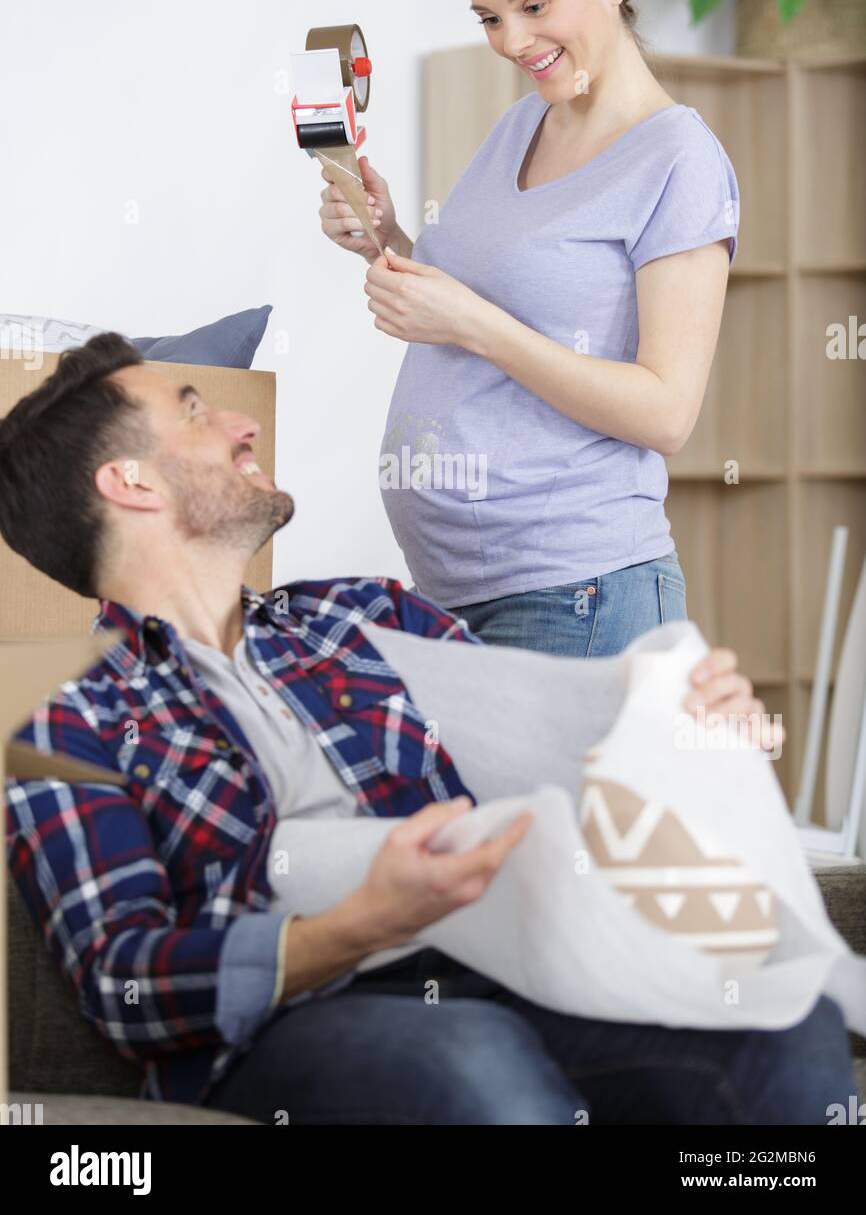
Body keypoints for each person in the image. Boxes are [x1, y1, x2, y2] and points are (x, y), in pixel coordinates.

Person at [4, 333, 854, 1128]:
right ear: (130, 483)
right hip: (296, 1025)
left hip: (515, 965)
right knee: (474, 1057)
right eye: (193, 410)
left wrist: (688, 740)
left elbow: (560, 776)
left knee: (785, 1028)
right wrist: (360, 924)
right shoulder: (70, 718)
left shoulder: (369, 616)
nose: (243, 422)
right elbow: (120, 979)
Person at [319, 0, 737, 657]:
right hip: (457, 592)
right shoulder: (522, 126)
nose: (511, 41)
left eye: (533, 6)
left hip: (578, 589)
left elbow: (666, 412)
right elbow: (484, 299)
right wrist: (387, 236)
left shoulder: (677, 158)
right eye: (489, 17)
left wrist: (472, 326)